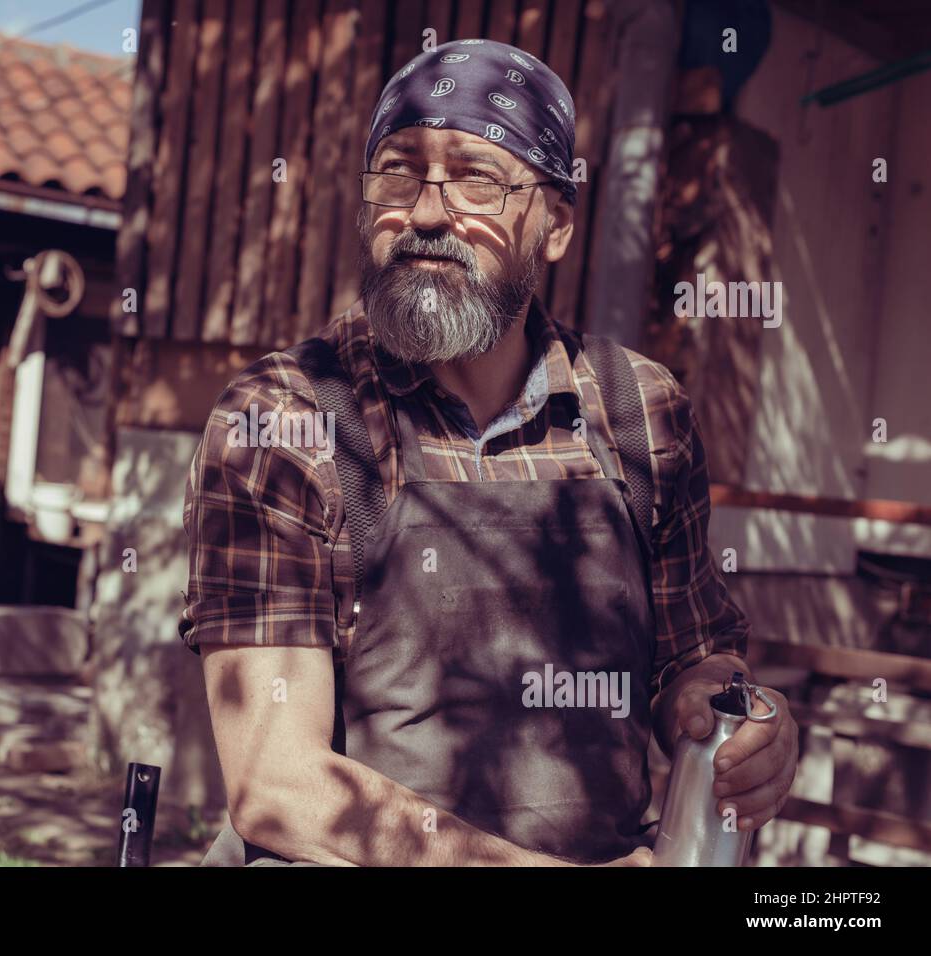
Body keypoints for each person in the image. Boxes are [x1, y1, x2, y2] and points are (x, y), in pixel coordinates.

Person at [179, 38, 798, 866]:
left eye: (476, 178)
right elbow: (278, 784)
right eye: (398, 172)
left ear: (556, 226)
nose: (428, 213)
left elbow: (690, 657)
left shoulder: (642, 413)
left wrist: (741, 721)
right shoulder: (286, 420)